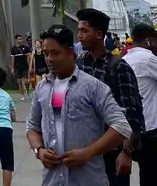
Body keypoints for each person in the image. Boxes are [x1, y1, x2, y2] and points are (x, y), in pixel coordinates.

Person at [26, 25, 132, 185]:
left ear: (70, 52)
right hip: (52, 180)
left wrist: (88, 153)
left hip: (88, 180)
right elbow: (32, 126)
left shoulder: (93, 87)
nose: (49, 59)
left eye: (55, 53)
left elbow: (122, 126)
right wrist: (39, 150)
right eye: (46, 54)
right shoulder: (42, 88)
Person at [76, 8, 144, 186]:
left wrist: (126, 153)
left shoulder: (119, 68)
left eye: (84, 31)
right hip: (84, 154)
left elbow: (132, 115)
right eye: (78, 31)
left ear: (99, 34)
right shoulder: (78, 65)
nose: (79, 36)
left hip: (112, 156)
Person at [123, 22, 157, 185]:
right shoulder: (149, 59)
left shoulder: (124, 59)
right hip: (151, 128)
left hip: (134, 130)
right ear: (148, 41)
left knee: (146, 173)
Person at [10, 34, 31, 100]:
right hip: (17, 67)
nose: (20, 40)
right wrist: (12, 68)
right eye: (19, 39)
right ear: (16, 40)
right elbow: (12, 58)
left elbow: (28, 57)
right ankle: (22, 95)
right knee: (19, 81)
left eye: (21, 39)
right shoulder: (13, 48)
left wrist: (29, 65)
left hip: (24, 66)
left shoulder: (26, 47)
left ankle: (28, 92)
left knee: (26, 81)